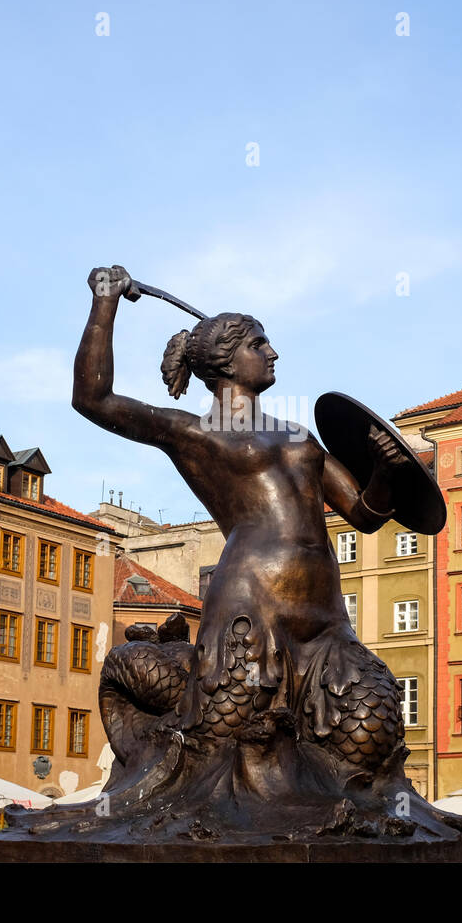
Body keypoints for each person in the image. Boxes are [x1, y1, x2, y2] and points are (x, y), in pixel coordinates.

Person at [72, 268, 415, 781]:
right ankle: (146, 667)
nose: (273, 353)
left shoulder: (299, 438)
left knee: (374, 734)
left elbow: (365, 515)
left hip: (324, 618)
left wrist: (386, 470)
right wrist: (105, 303)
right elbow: (93, 399)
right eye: (260, 343)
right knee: (225, 742)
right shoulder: (192, 432)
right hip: (249, 609)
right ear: (225, 360)